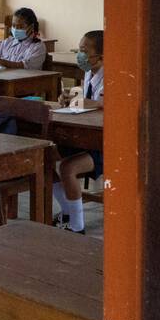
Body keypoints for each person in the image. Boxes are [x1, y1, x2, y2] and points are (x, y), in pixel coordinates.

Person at [53, 30, 104, 234]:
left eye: (85, 50)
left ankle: (77, 226)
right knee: (47, 159)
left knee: (67, 168)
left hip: (104, 143)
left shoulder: (112, 74)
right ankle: (67, 212)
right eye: (79, 49)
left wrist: (82, 102)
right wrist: (69, 97)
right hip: (86, 137)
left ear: (102, 56)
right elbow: (87, 99)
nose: (80, 54)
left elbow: (105, 103)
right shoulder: (89, 71)